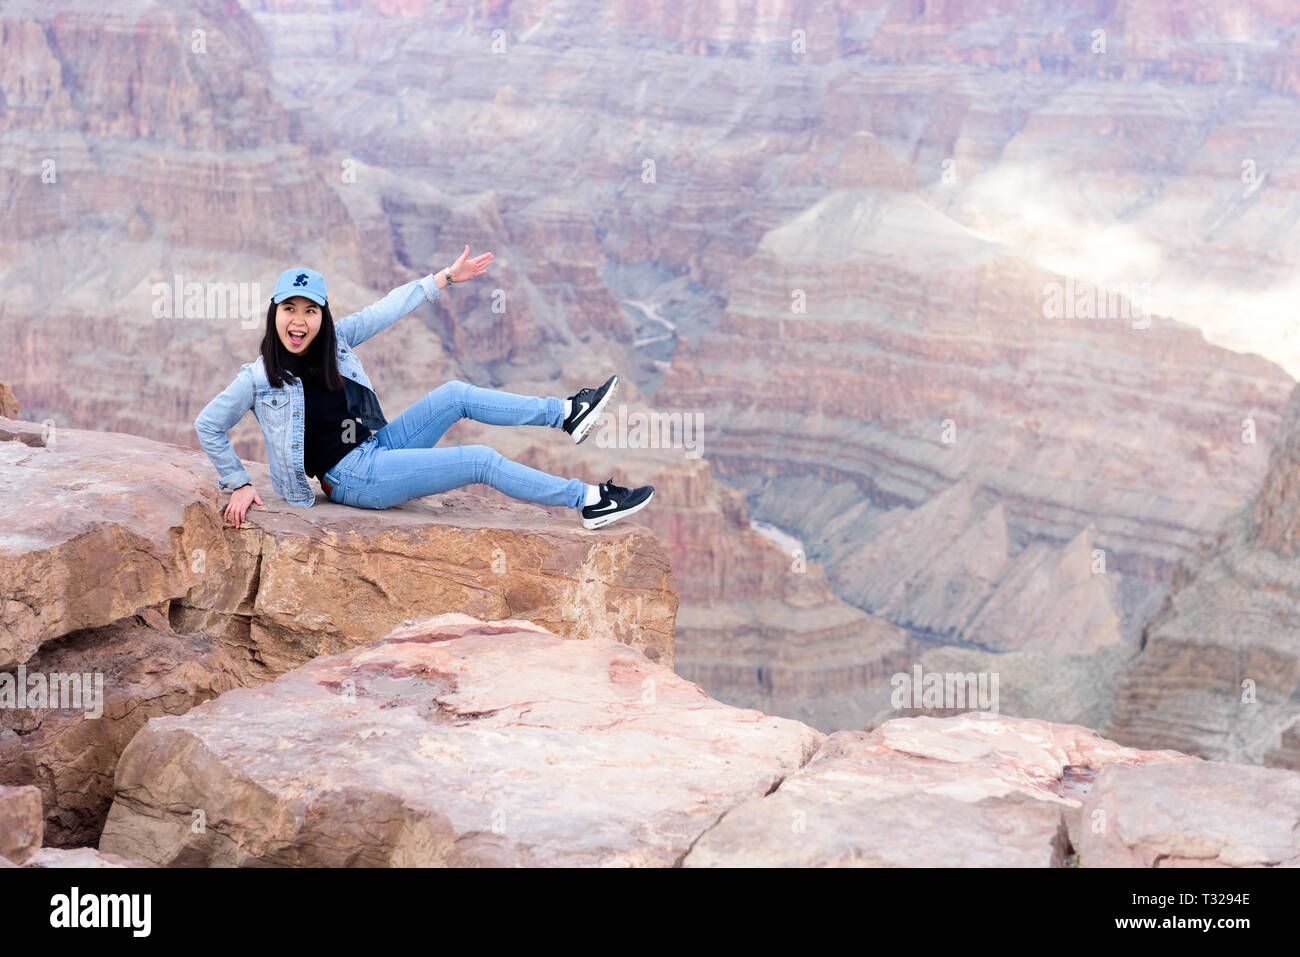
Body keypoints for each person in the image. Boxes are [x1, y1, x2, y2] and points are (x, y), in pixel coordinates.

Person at [193, 248, 654, 532]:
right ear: (274, 313)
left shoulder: (337, 341)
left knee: (455, 393)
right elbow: (209, 424)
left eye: (310, 310)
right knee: (480, 460)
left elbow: (388, 308)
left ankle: (568, 413)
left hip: (374, 446)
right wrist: (239, 483)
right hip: (351, 477)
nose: (299, 320)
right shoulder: (258, 377)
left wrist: (446, 278)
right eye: (289, 309)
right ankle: (589, 501)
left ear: (323, 315)